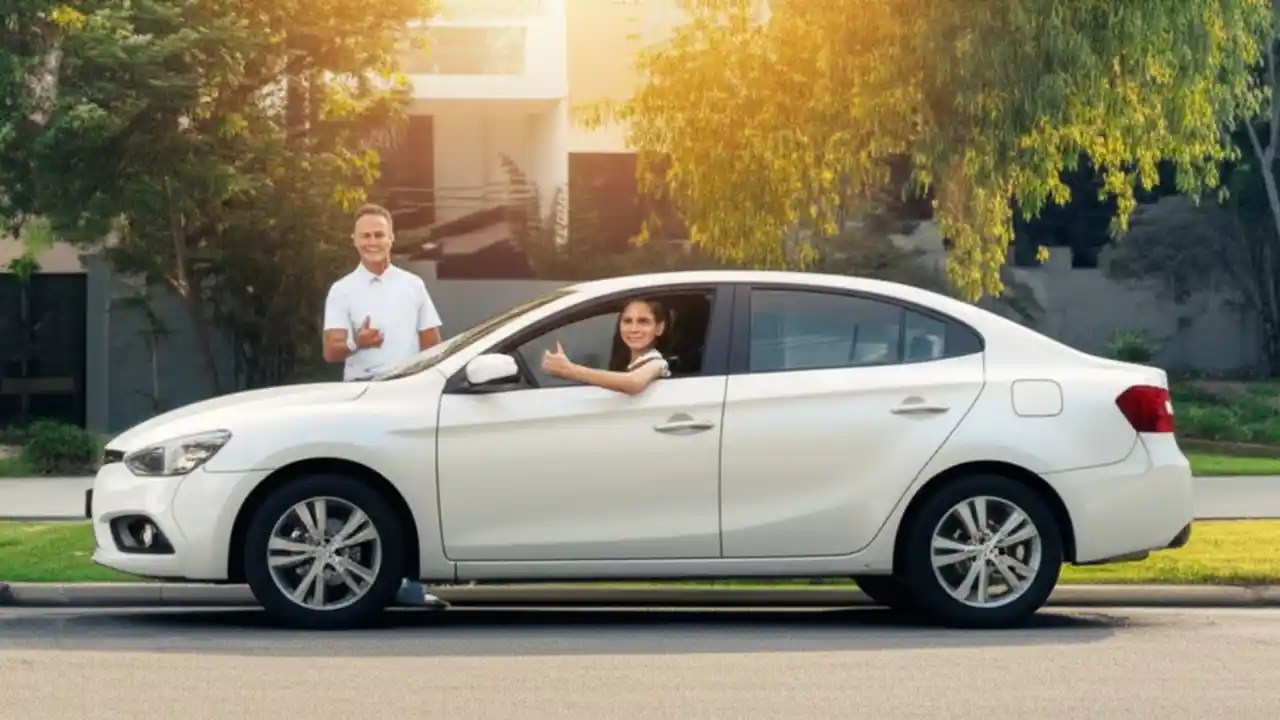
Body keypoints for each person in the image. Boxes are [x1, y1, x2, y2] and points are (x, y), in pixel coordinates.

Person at [322, 202, 447, 610]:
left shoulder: (412, 285)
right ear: (354, 241)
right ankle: (356, 579)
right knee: (366, 489)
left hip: (410, 397)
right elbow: (331, 349)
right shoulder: (342, 290)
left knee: (410, 487)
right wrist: (361, 342)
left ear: (392, 237)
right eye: (366, 235)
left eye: (379, 234)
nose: (373, 242)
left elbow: (433, 340)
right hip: (362, 398)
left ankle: (409, 585)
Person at [541, 298, 672, 394]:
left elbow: (633, 383)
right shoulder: (626, 362)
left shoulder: (656, 362)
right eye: (627, 321)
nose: (633, 329)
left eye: (643, 322)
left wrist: (570, 370)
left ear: (659, 328)